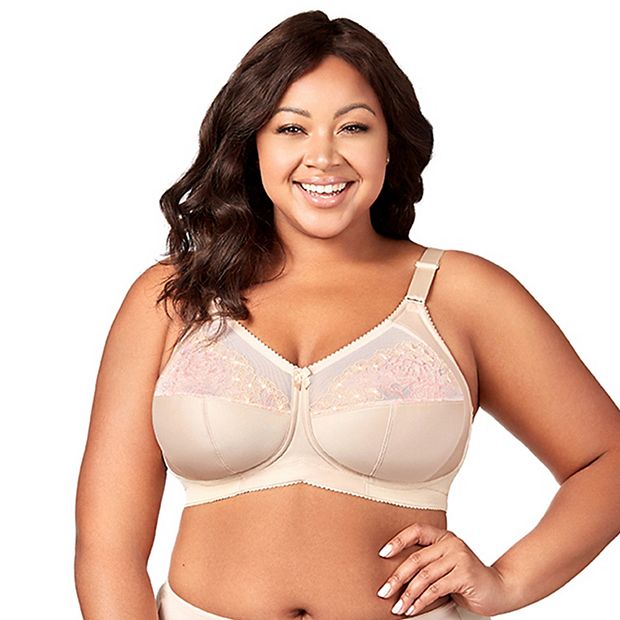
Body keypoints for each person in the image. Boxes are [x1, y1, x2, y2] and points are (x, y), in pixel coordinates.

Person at [74, 10, 620, 620]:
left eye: (353, 127)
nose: (323, 157)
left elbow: (608, 460)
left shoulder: (461, 294)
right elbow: (108, 551)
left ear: (391, 144)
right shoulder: (174, 298)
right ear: (252, 143)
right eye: (291, 128)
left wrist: (508, 582)